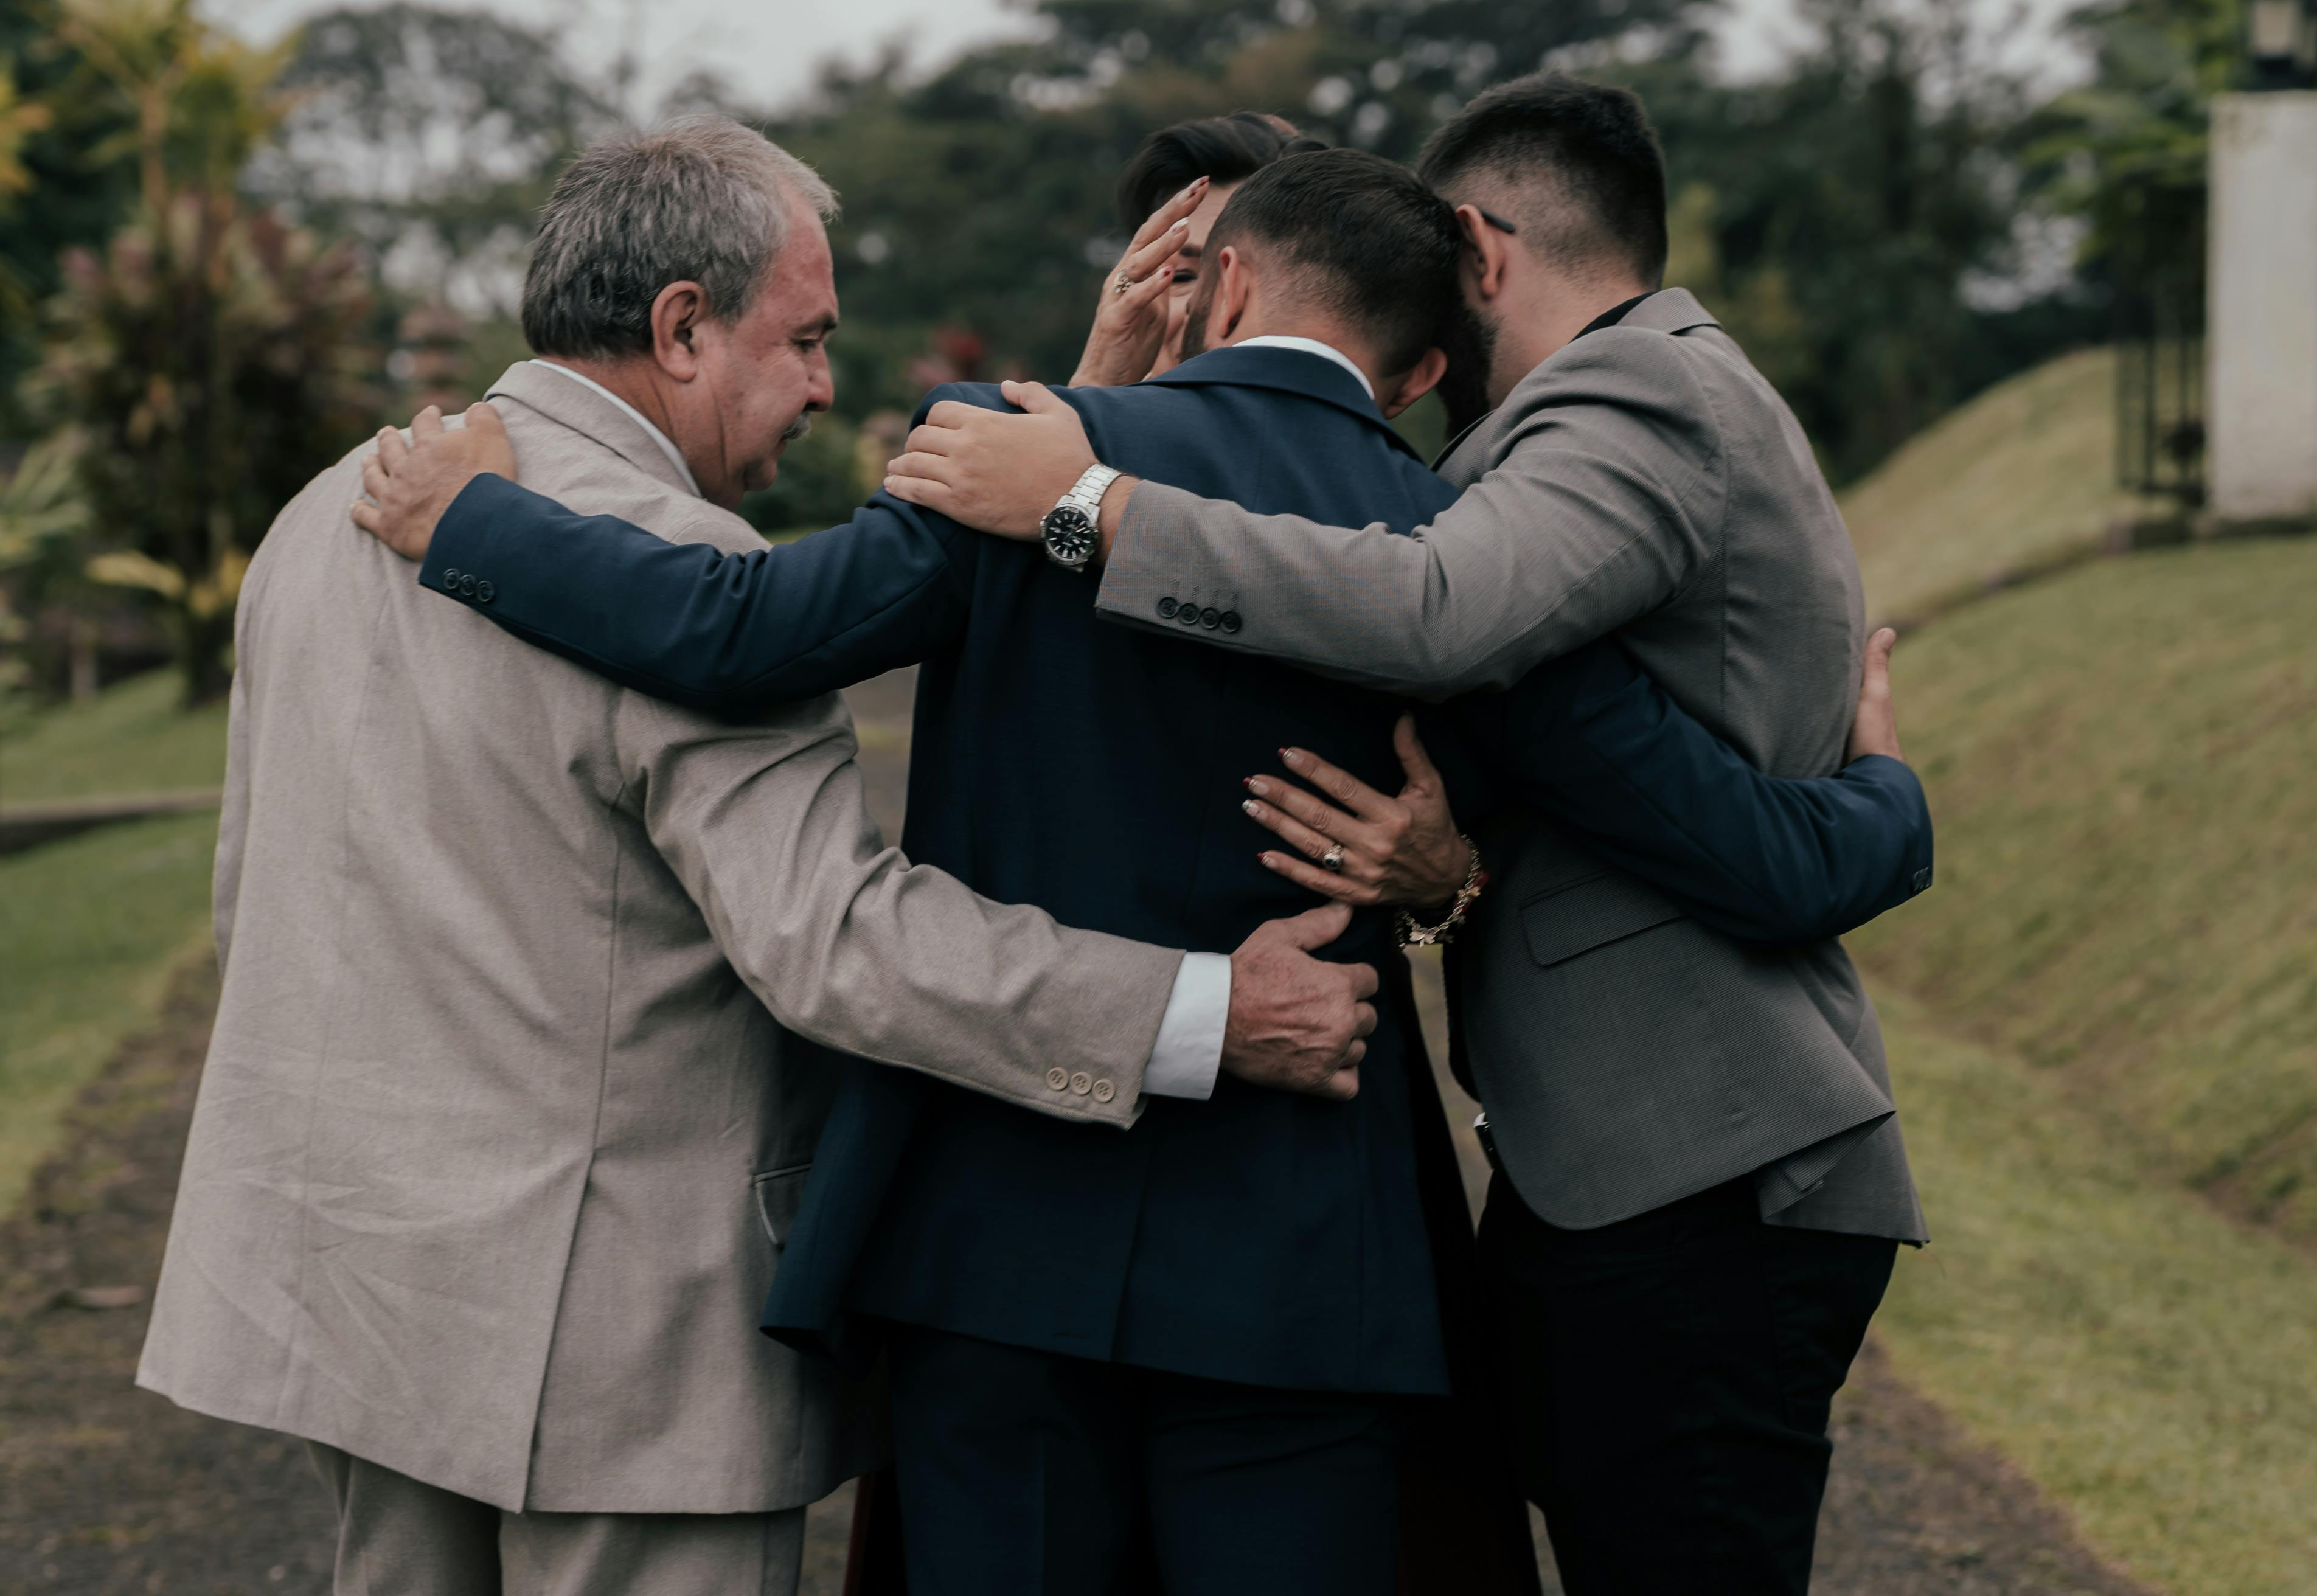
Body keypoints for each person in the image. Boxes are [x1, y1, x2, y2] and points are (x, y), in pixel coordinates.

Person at [352, 146, 1930, 1593]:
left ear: (1223, 283)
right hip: (1295, 1270)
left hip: (993, 1234)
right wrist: (1883, 802)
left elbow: (734, 632)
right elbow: (1725, 840)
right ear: (1423, 369)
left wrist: (477, 522)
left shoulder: (1009, 463)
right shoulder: (1451, 549)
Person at [136, 117, 1383, 1596]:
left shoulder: (332, 509)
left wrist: (1081, 402)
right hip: (613, 1331)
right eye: (805, 341)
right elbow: (839, 947)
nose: (825, 386)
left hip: (350, 1284)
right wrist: (1206, 1012)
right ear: (682, 328)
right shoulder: (682, 567)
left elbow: (256, 889)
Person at [879, 75, 1929, 1596]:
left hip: (1707, 1161)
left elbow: (1447, 620)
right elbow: (1603, 771)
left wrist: (1086, 499)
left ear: (1478, 249)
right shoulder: (1579, 438)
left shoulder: (1628, 397)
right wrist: (1455, 873)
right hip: (1639, 1160)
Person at [1071, 111, 1320, 387]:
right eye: (1182, 276)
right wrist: (1095, 386)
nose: (1202, 305)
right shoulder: (1087, 406)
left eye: (1246, 276)